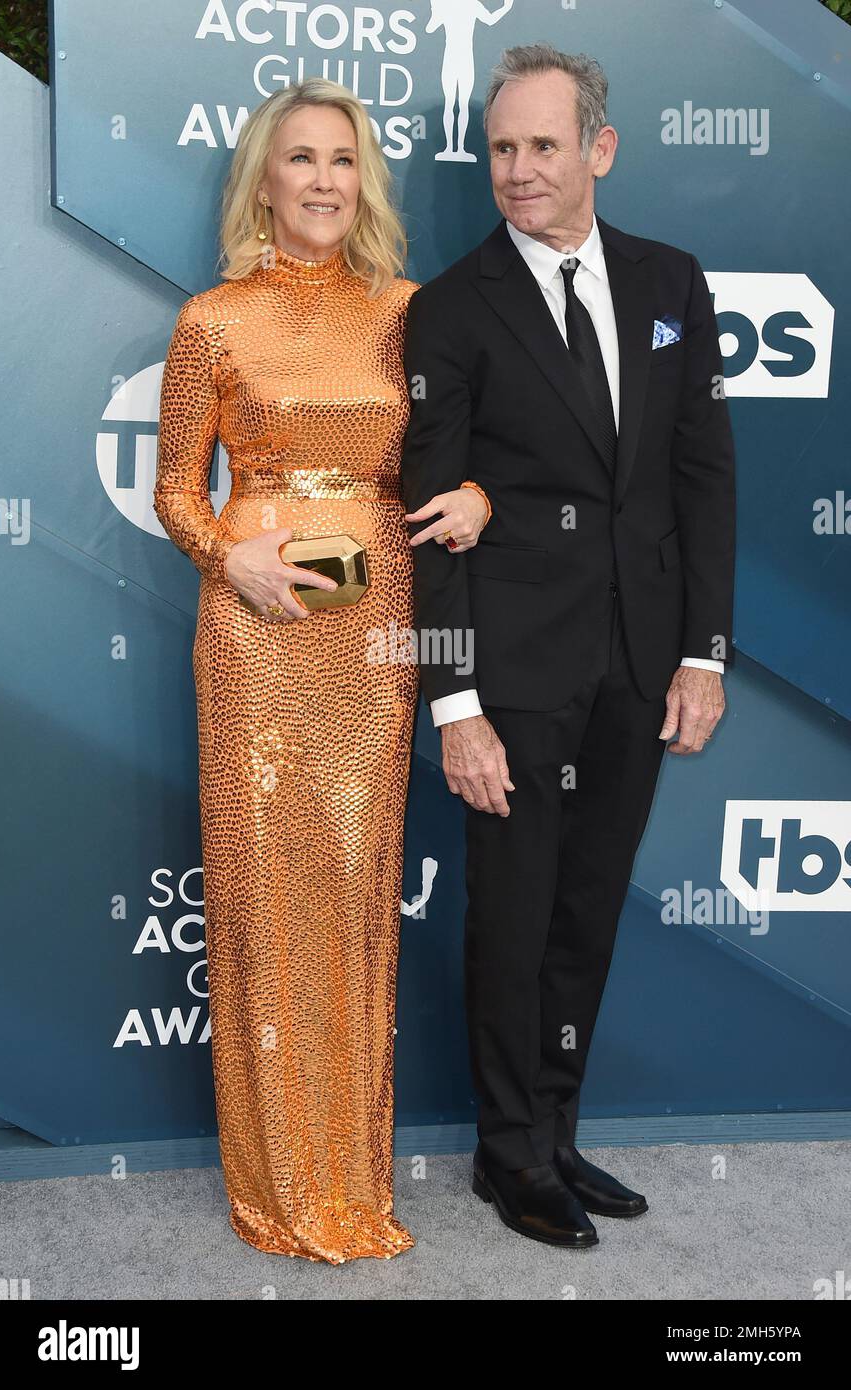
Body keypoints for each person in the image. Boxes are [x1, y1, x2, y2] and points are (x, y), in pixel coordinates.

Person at [400, 45, 735, 1249]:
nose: (517, 170)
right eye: (500, 148)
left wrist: (701, 652)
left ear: (597, 149)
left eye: (542, 145)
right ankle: (506, 1158)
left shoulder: (668, 283)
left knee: (586, 909)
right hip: (509, 675)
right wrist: (453, 704)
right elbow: (426, 530)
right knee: (512, 912)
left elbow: (702, 480)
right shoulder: (446, 308)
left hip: (638, 665)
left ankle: (554, 1130)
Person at [154, 79, 490, 1265]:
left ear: (364, 180)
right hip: (254, 627)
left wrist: (484, 494)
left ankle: (349, 1170)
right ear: (263, 179)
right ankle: (278, 1182)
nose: (321, 181)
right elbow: (170, 487)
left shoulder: (411, 312)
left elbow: (472, 445)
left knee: (354, 885)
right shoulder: (211, 319)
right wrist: (223, 553)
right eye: (298, 159)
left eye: (341, 160)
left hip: (375, 626)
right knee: (260, 891)